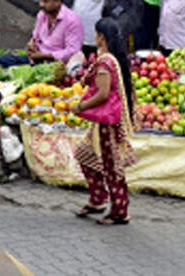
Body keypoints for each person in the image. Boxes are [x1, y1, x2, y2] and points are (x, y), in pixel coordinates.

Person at [70, 17, 137, 226]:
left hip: (108, 124)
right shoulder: (114, 59)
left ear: (101, 37)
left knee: (112, 167)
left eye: (96, 34)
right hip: (105, 122)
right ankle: (98, 199)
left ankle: (119, 211)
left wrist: (80, 106)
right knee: (85, 155)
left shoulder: (105, 62)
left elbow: (103, 93)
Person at [27, 0, 83, 66]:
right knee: (4, 60)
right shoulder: (42, 15)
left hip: (58, 67)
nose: (41, 5)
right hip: (37, 60)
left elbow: (72, 52)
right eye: (40, 1)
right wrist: (31, 45)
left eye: (46, 1)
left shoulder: (72, 21)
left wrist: (45, 56)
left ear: (58, 1)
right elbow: (35, 37)